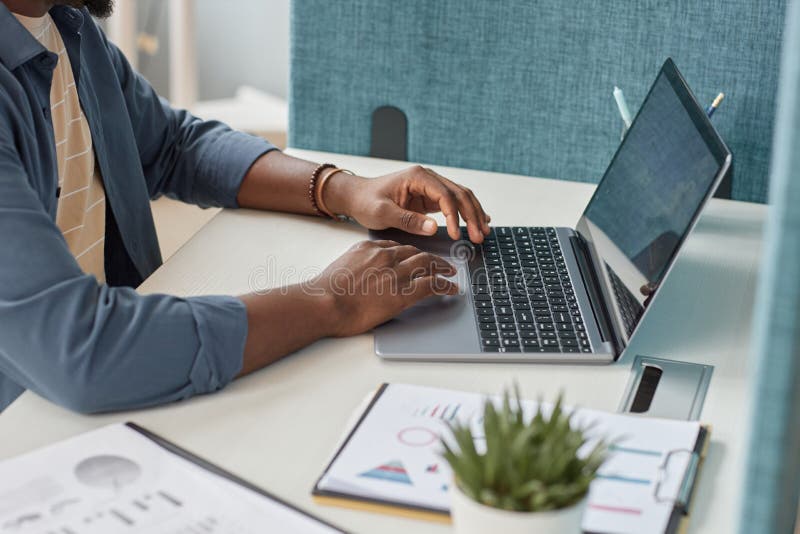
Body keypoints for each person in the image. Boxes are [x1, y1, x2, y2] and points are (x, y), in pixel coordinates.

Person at [0, 0, 490, 413]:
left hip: (129, 385)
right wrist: (331, 301)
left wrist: (344, 190)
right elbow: (86, 351)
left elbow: (173, 146)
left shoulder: (68, 25)